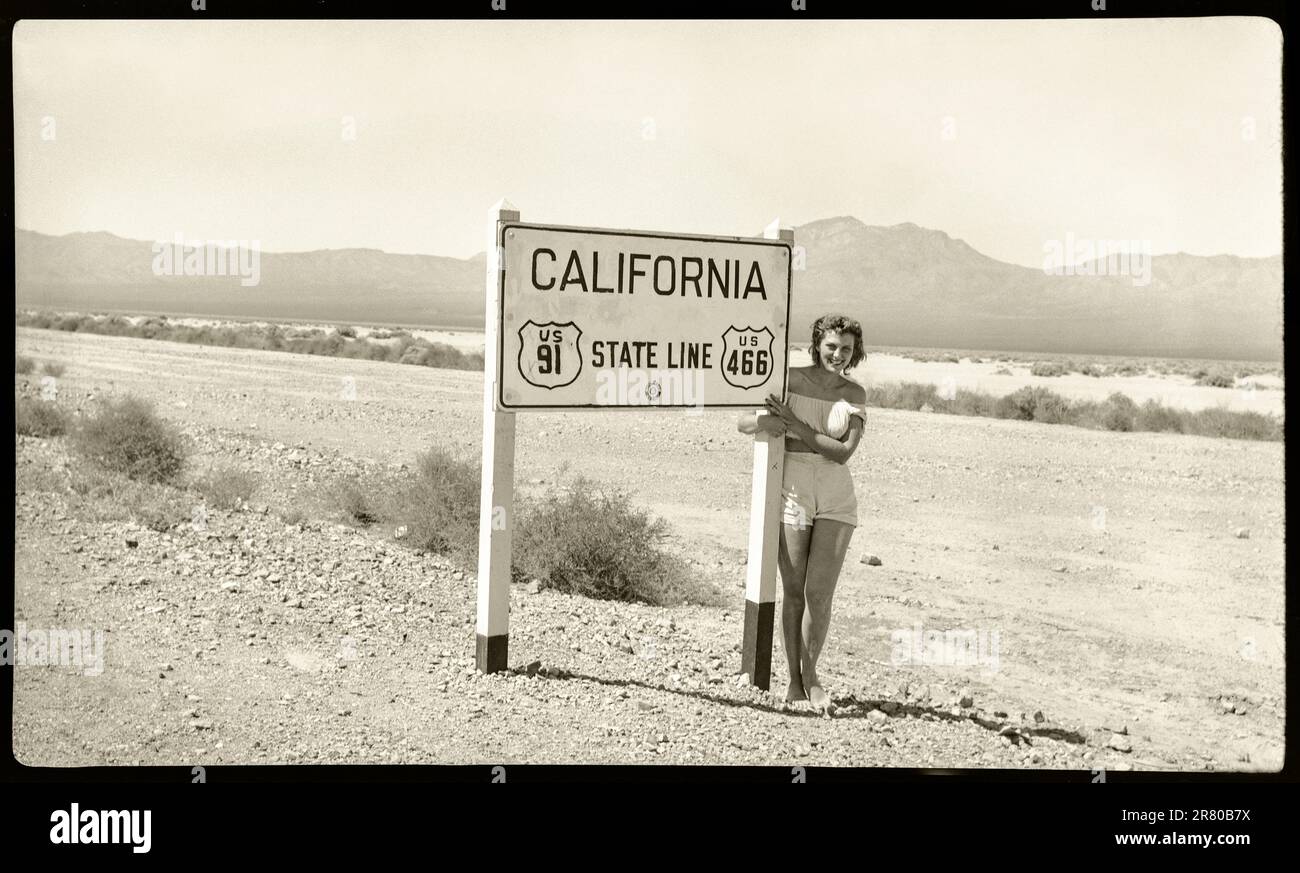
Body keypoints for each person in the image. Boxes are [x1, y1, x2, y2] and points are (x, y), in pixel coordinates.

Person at [737, 314, 867, 716]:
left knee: (819, 595)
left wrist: (796, 424)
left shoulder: (855, 392)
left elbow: (843, 451)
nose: (838, 355)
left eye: (846, 348)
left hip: (835, 491)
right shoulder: (788, 379)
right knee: (793, 591)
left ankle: (809, 677)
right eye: (831, 346)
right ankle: (798, 682)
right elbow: (744, 422)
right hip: (792, 485)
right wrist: (773, 422)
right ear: (817, 344)